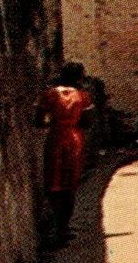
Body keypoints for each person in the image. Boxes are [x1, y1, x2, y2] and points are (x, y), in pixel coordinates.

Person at [36, 62, 94, 246]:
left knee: (53, 183)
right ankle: (63, 228)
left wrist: (53, 122)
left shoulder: (50, 95)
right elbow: (87, 122)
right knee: (70, 185)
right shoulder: (83, 97)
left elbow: (38, 120)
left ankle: (53, 227)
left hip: (55, 138)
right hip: (74, 139)